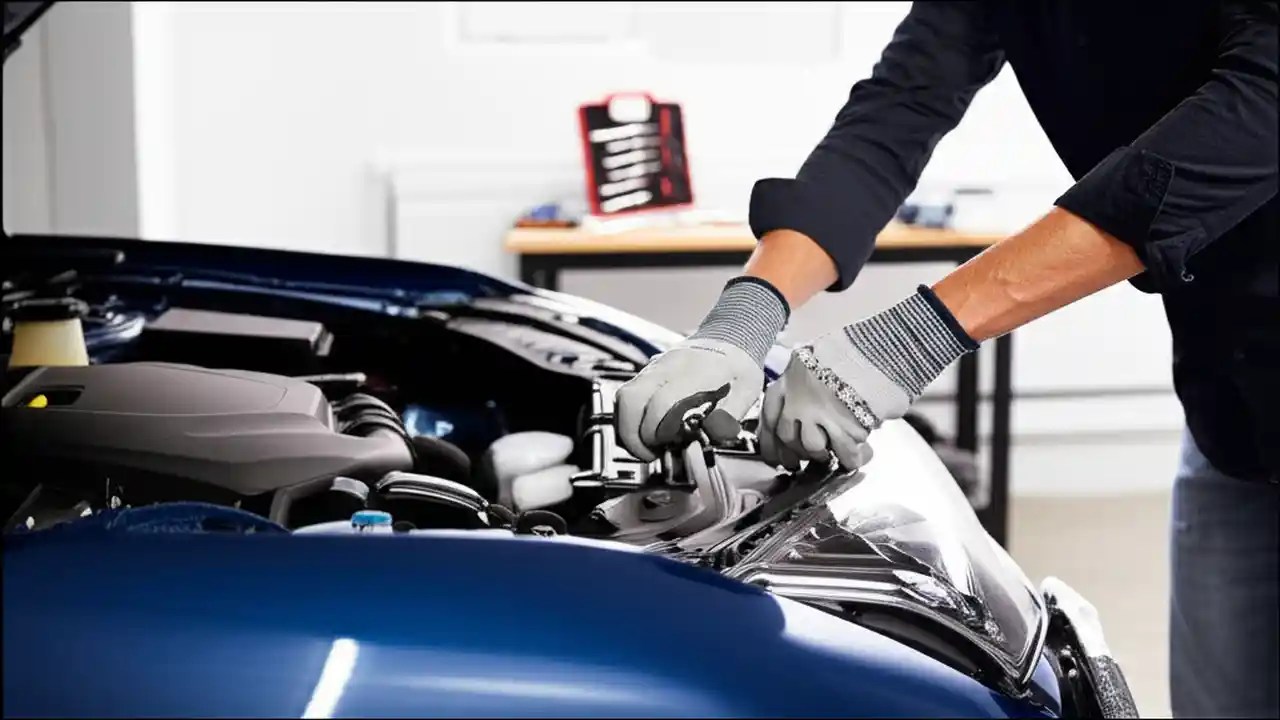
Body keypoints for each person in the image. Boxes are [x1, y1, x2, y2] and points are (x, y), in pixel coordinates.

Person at [614, 2, 1277, 717]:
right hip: (1231, 409)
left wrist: (909, 342)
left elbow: (1255, 112)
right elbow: (899, 107)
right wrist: (743, 319)